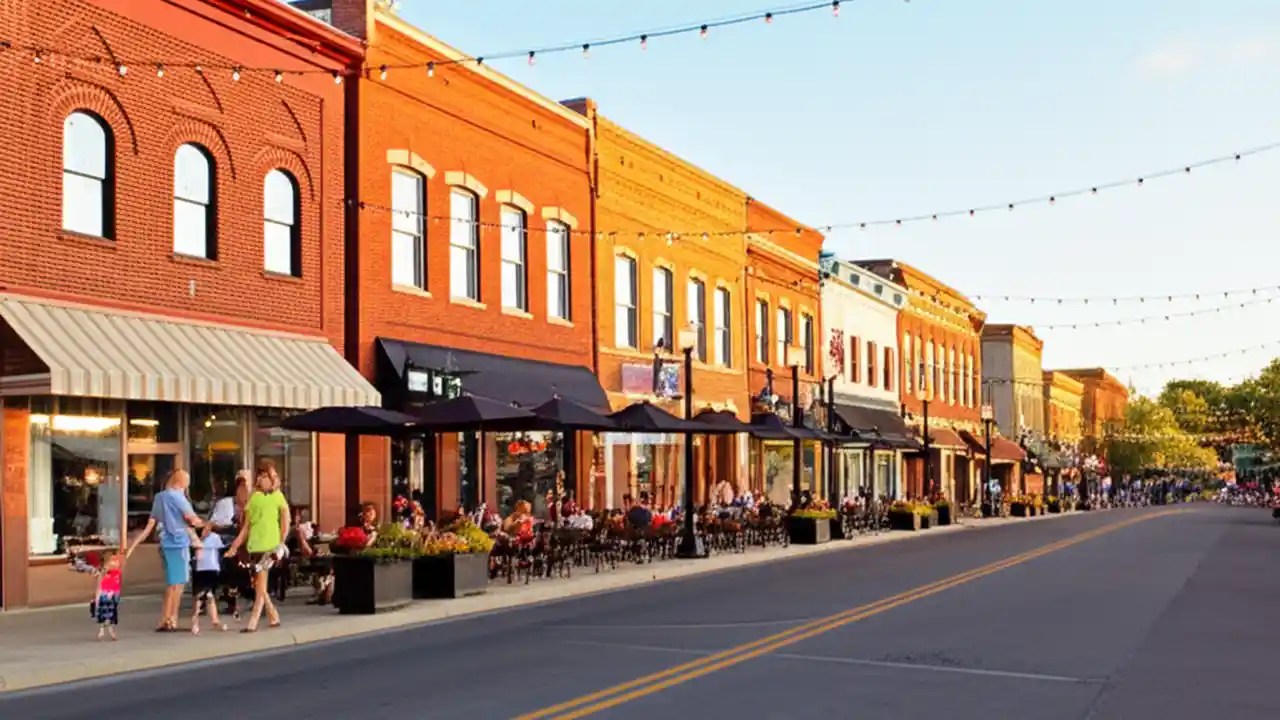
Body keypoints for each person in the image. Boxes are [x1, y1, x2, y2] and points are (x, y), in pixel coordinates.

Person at [126, 469, 204, 632]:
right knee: (178, 583)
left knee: (172, 583)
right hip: (178, 543)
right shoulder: (179, 497)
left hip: (165, 544)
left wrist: (133, 545)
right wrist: (204, 523)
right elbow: (192, 519)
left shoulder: (159, 498)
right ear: (181, 482)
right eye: (186, 482)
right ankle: (169, 619)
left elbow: (150, 524)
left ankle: (167, 618)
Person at [224, 459, 290, 633]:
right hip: (255, 546)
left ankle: (252, 622)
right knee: (258, 584)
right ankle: (273, 615)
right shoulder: (254, 497)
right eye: (259, 475)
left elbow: (285, 523)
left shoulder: (278, 497)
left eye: (265, 475)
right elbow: (246, 527)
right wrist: (235, 547)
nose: (261, 479)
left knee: (260, 584)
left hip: (271, 546)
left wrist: (281, 544)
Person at [69, 549, 125, 641]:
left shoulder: (115, 572)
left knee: (111, 615)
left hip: (111, 594)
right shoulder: (102, 572)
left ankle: (110, 631)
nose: (115, 563)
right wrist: (97, 598)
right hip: (105, 595)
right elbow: (99, 585)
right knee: (104, 614)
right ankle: (103, 631)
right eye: (112, 561)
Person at [190, 526, 227, 634]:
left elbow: (220, 548)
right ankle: (195, 621)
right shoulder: (195, 537)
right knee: (199, 595)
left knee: (209, 594)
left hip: (212, 568)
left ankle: (215, 620)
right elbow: (194, 549)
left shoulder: (215, 537)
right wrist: (199, 539)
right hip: (199, 568)